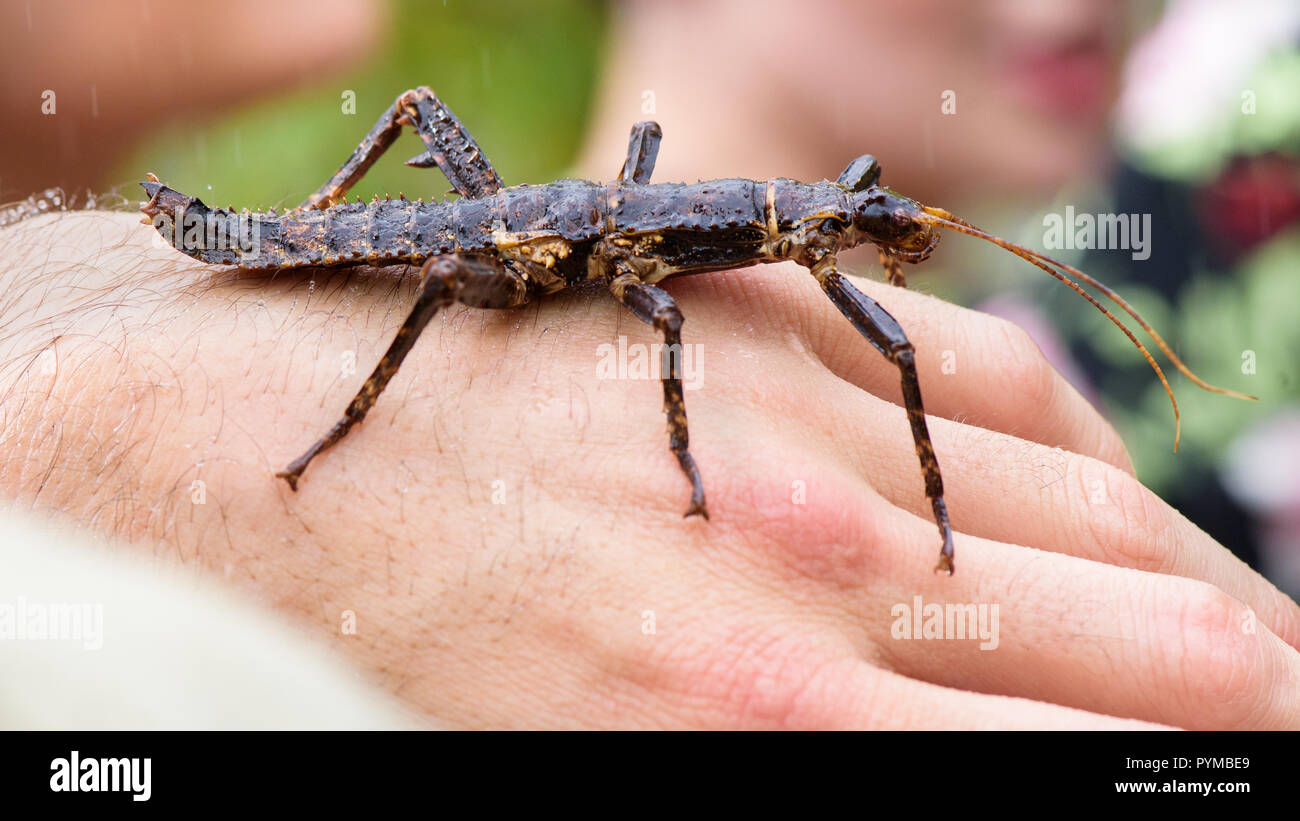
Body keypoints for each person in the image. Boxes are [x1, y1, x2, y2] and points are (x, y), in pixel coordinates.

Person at [1, 0, 1298, 729]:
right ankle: (338, 375)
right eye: (868, 228)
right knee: (495, 267)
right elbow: (664, 320)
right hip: (495, 241)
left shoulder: (801, 231)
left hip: (558, 233)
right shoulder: (669, 262)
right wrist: (689, 459)